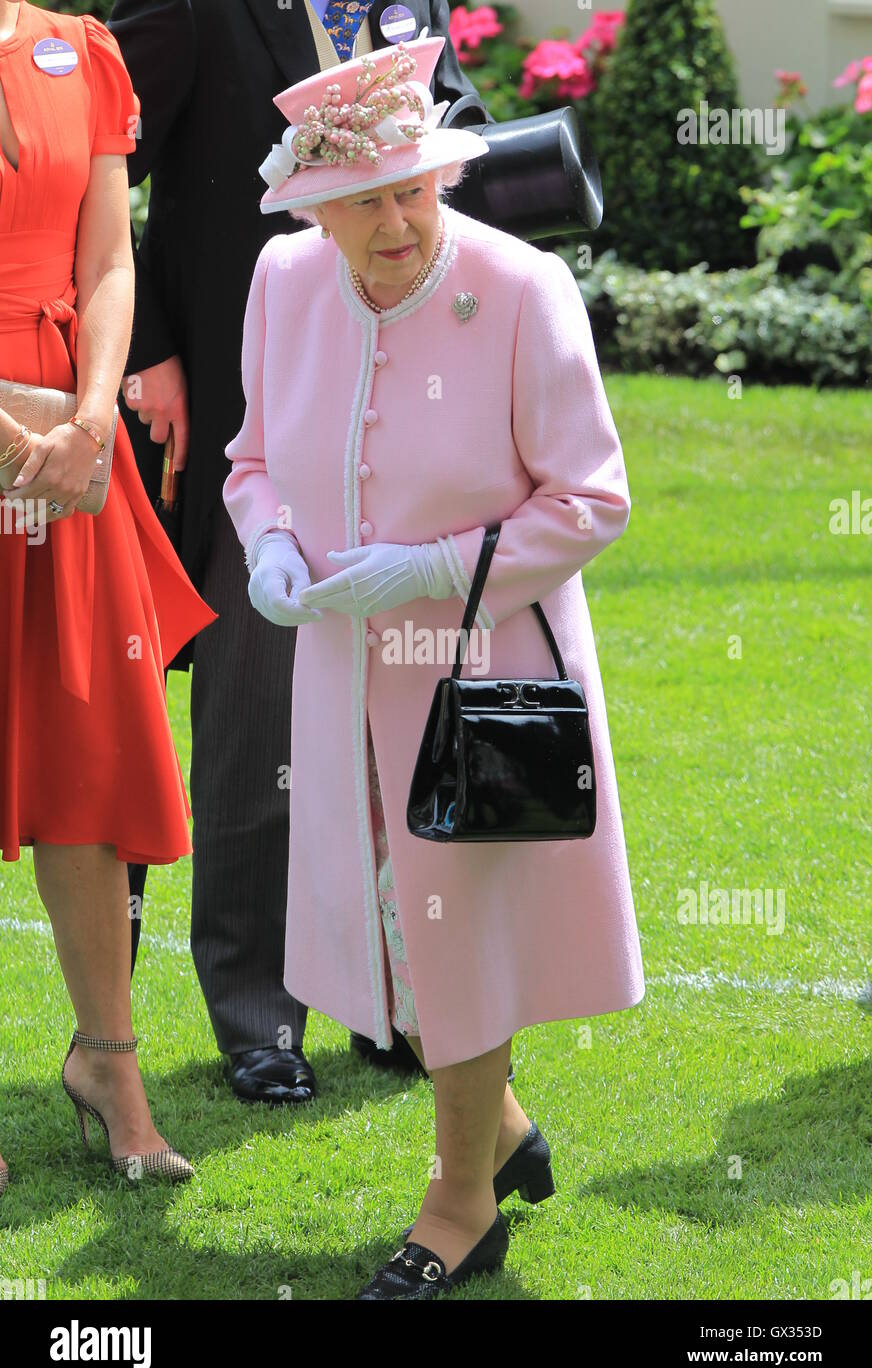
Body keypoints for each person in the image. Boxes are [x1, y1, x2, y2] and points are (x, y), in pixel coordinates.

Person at [223, 34, 645, 1299]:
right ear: (315, 205)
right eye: (365, 200)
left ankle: (460, 1201)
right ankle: (501, 1129)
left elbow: (590, 503)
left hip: (482, 673)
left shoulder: (521, 288)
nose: (396, 221)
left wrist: (423, 568)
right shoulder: (281, 281)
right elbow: (250, 463)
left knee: (454, 936)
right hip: (340, 673)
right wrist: (269, 549)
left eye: (414, 188)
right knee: (390, 941)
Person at [107, 0, 488, 1103]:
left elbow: (449, 107)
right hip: (247, 407)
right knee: (256, 715)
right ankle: (258, 1014)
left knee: (403, 717)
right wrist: (152, 350)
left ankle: (394, 997)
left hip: (413, 395)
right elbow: (100, 166)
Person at [0, 0, 216, 1196]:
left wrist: (90, 420)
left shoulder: (82, 50)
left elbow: (109, 259)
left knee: (85, 760)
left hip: (69, 449)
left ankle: (111, 1066)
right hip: (10, 432)